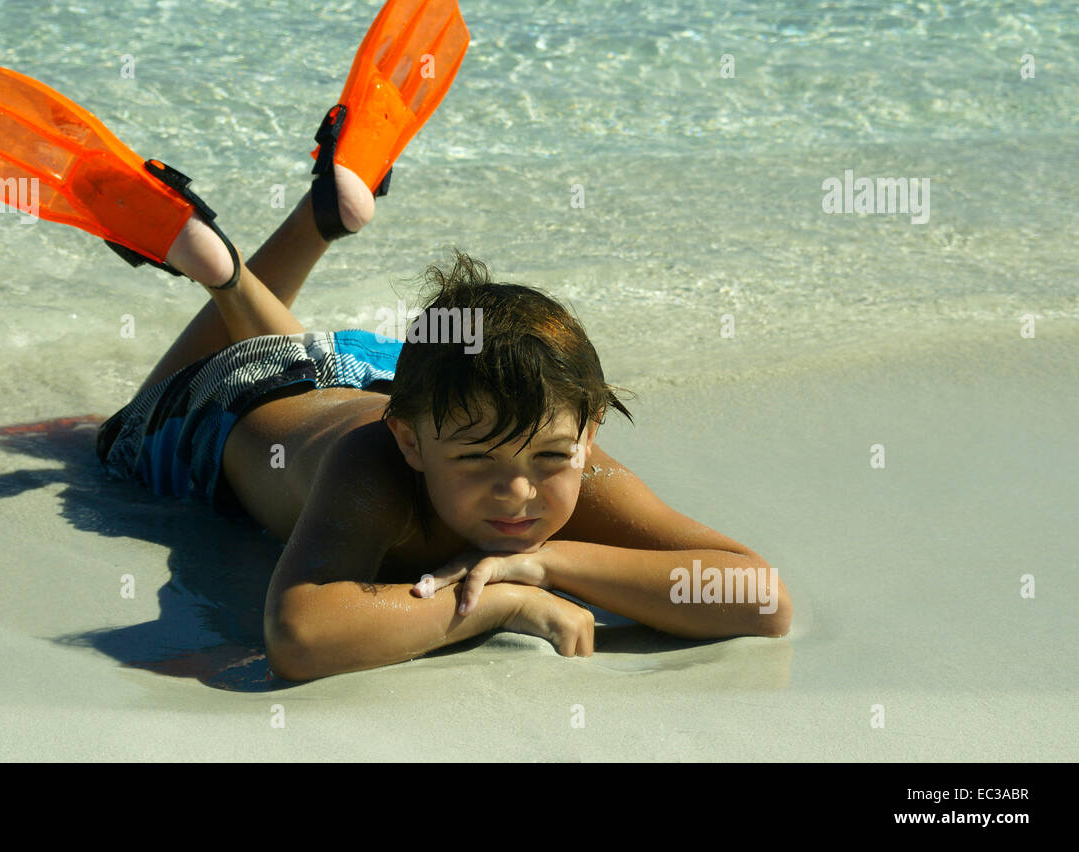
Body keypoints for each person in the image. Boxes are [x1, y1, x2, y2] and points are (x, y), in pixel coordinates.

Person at [93, 167, 794, 682]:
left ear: (588, 428)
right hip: (229, 407)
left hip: (378, 371)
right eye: (478, 465)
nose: (518, 493)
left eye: (552, 457)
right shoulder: (372, 471)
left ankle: (262, 252)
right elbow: (300, 635)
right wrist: (500, 604)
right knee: (115, 434)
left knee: (300, 356)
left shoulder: (525, 435)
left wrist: (547, 560)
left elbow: (760, 598)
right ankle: (228, 270)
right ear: (409, 445)